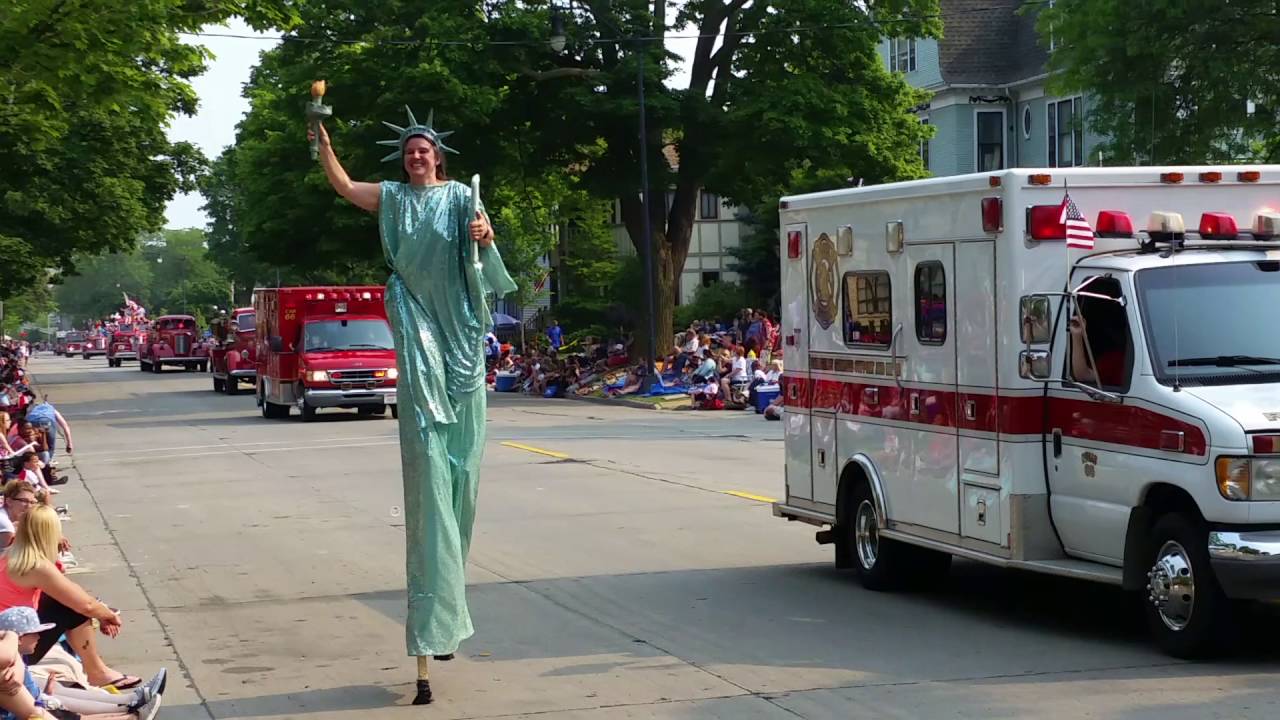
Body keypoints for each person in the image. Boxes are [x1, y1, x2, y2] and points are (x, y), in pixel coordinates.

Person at [310, 106, 515, 705]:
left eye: (423, 150)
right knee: (428, 461)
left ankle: (450, 604)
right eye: (408, 152)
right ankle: (431, 617)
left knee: (463, 478)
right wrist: (322, 139)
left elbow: (485, 256)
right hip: (417, 322)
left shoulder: (460, 198)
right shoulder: (394, 199)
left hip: (460, 335)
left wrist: (486, 234)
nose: (416, 157)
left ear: (439, 156)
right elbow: (346, 186)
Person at [0, 506, 135, 690]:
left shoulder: (13, 554)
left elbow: (72, 590)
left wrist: (101, 611)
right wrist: (107, 616)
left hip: (7, 636)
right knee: (68, 608)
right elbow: (84, 604)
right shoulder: (36, 566)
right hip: (14, 648)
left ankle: (96, 671)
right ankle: (97, 672)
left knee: (64, 601)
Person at [0, 607, 163, 720]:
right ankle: (131, 711)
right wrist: (11, 636)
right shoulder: (8, 663)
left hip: (35, 706)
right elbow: (29, 709)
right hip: (31, 712)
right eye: (35, 633)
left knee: (62, 701)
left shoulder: (17, 658)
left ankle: (131, 705)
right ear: (20, 638)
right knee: (70, 714)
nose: (39, 637)